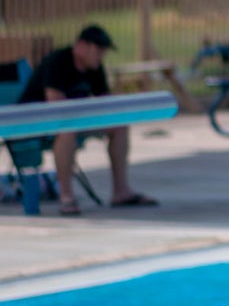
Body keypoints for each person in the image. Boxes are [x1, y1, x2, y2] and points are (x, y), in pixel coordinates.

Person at [19, 24, 158, 215]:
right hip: (35, 124)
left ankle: (121, 192)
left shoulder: (94, 67)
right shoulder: (58, 62)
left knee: (118, 126)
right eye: (98, 50)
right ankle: (66, 197)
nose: (101, 56)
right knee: (67, 131)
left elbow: (104, 102)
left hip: (74, 121)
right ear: (81, 46)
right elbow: (55, 106)